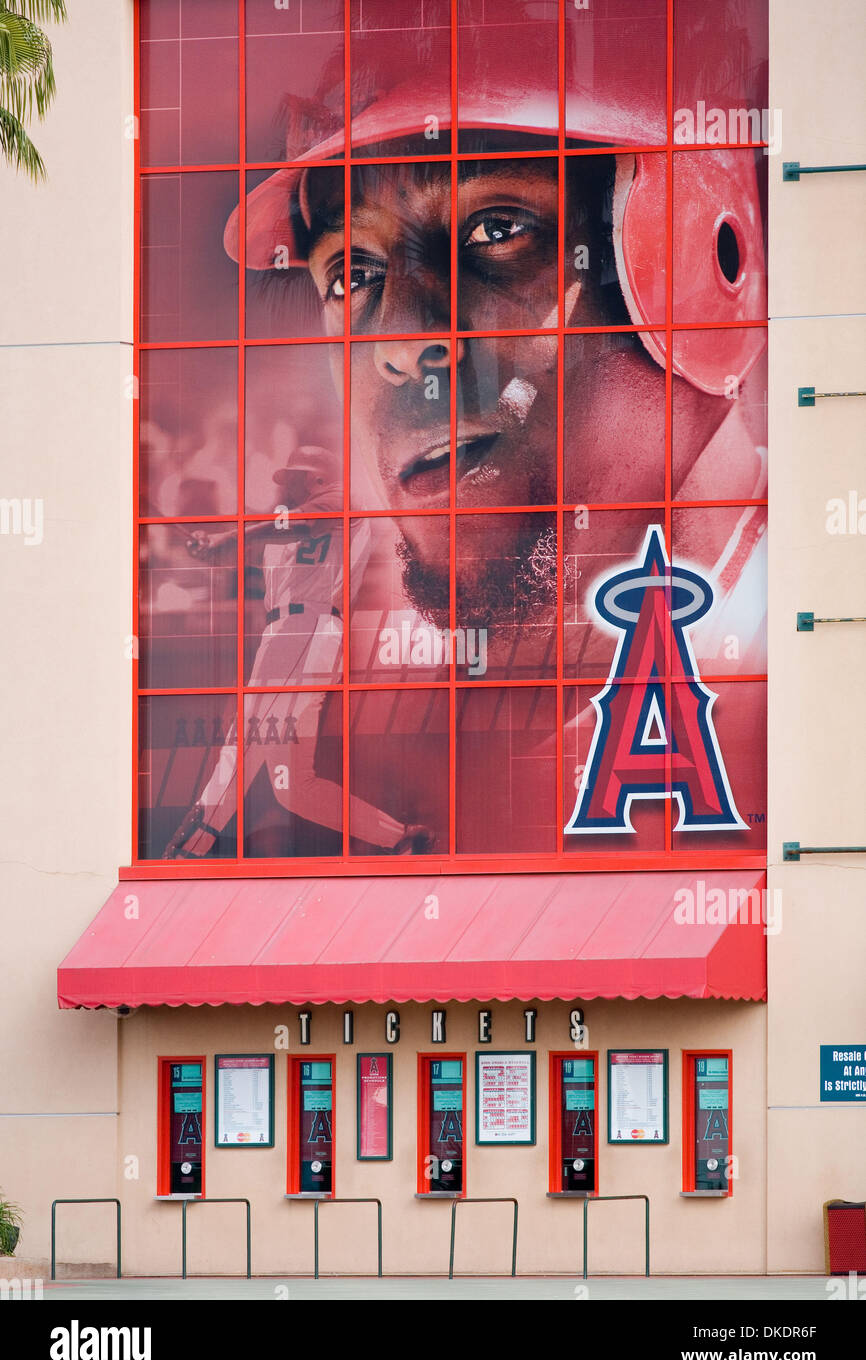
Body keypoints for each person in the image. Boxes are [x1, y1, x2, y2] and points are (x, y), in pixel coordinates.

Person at [217, 13, 769, 848]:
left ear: (702, 259)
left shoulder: (815, 650)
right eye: (352, 273)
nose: (400, 345)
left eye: (495, 231)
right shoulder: (445, 711)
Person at [164, 446, 434, 857]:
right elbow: (259, 542)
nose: (285, 484)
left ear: (317, 478)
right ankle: (402, 837)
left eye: (294, 476)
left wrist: (229, 536)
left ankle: (191, 848)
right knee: (294, 788)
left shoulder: (339, 498)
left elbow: (293, 525)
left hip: (307, 627)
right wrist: (212, 546)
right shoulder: (281, 528)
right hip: (289, 636)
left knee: (246, 737)